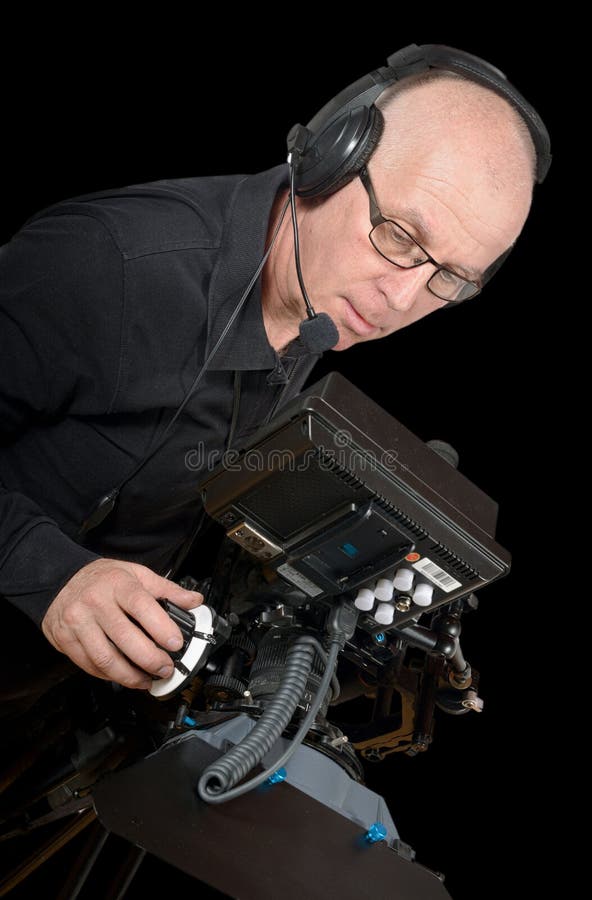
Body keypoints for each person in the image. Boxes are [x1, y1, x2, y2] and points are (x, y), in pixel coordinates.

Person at [0, 47, 548, 699]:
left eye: (450, 278)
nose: (402, 300)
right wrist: (54, 574)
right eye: (399, 235)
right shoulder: (106, 266)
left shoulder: (320, 298)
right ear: (329, 159)